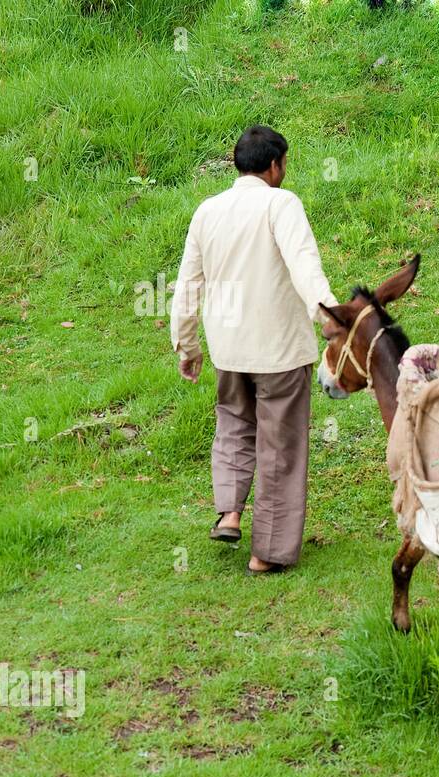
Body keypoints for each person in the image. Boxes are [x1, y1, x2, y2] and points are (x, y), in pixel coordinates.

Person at [169, 124, 337, 574]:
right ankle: (267, 553)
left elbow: (188, 285)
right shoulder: (281, 203)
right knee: (280, 444)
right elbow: (305, 267)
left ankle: (230, 511)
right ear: (275, 164)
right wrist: (331, 318)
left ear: (237, 163)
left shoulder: (208, 211)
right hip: (279, 349)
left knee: (233, 425)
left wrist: (187, 345)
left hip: (228, 348)